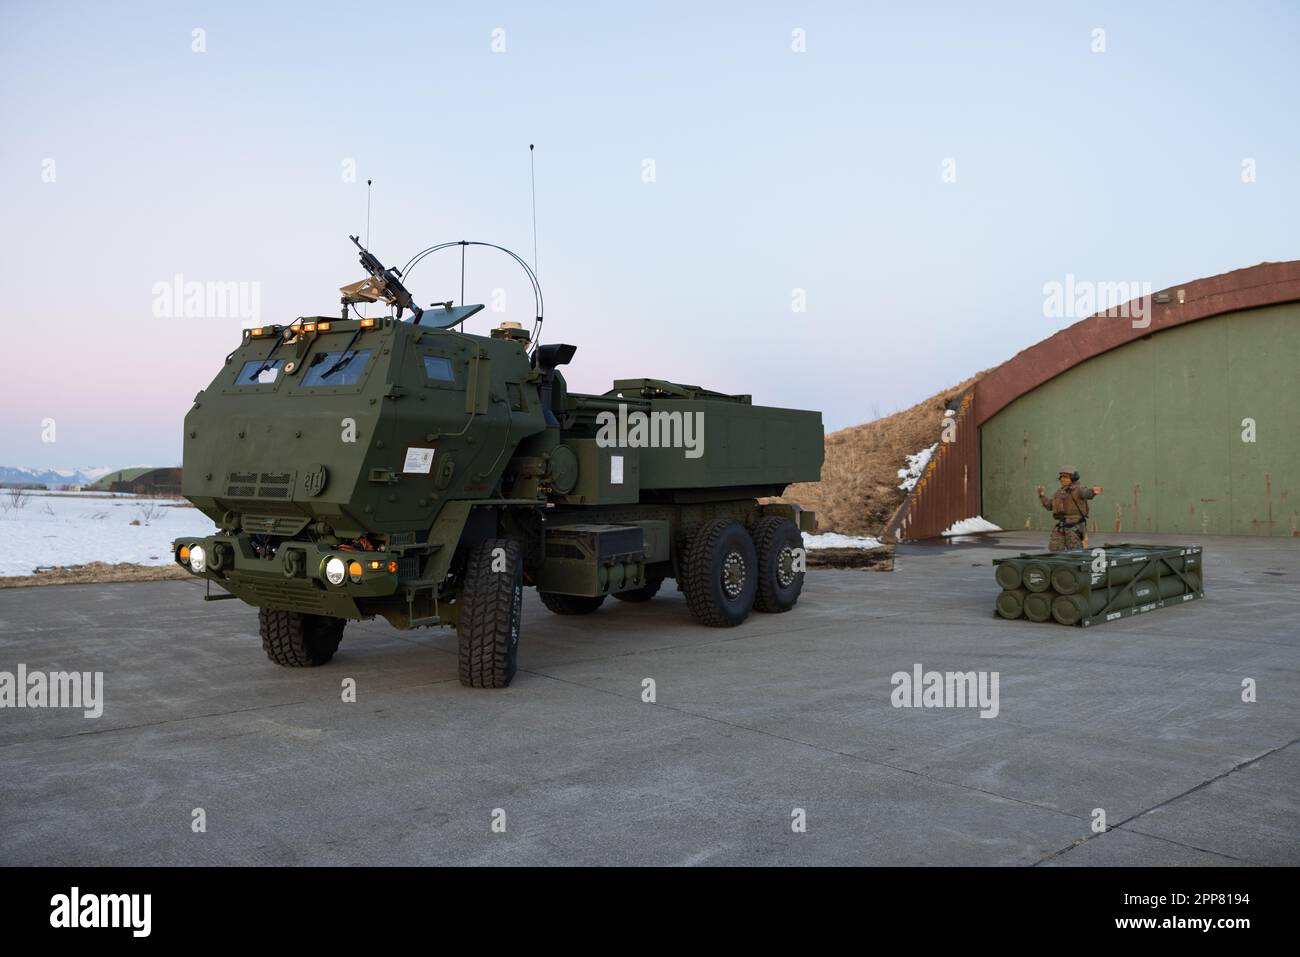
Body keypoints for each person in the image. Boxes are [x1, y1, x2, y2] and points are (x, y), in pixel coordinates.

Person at [1036, 467, 1103, 551]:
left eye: (1065, 477)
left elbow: (1086, 493)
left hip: (1075, 525)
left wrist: (1093, 492)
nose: (1062, 479)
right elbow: (1050, 506)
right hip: (1062, 525)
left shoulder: (1079, 489)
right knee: (1055, 548)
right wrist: (1042, 495)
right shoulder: (1059, 493)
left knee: (1075, 551)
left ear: (1073, 478)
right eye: (1061, 477)